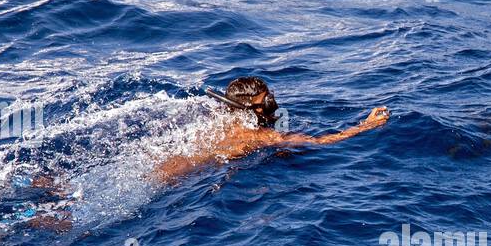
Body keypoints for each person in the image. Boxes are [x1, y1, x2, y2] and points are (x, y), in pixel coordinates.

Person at [153, 76, 390, 183]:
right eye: (266, 103)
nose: (272, 107)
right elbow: (320, 143)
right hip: (182, 177)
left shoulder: (216, 123)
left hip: (164, 166)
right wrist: (365, 126)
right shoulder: (260, 136)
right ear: (250, 109)